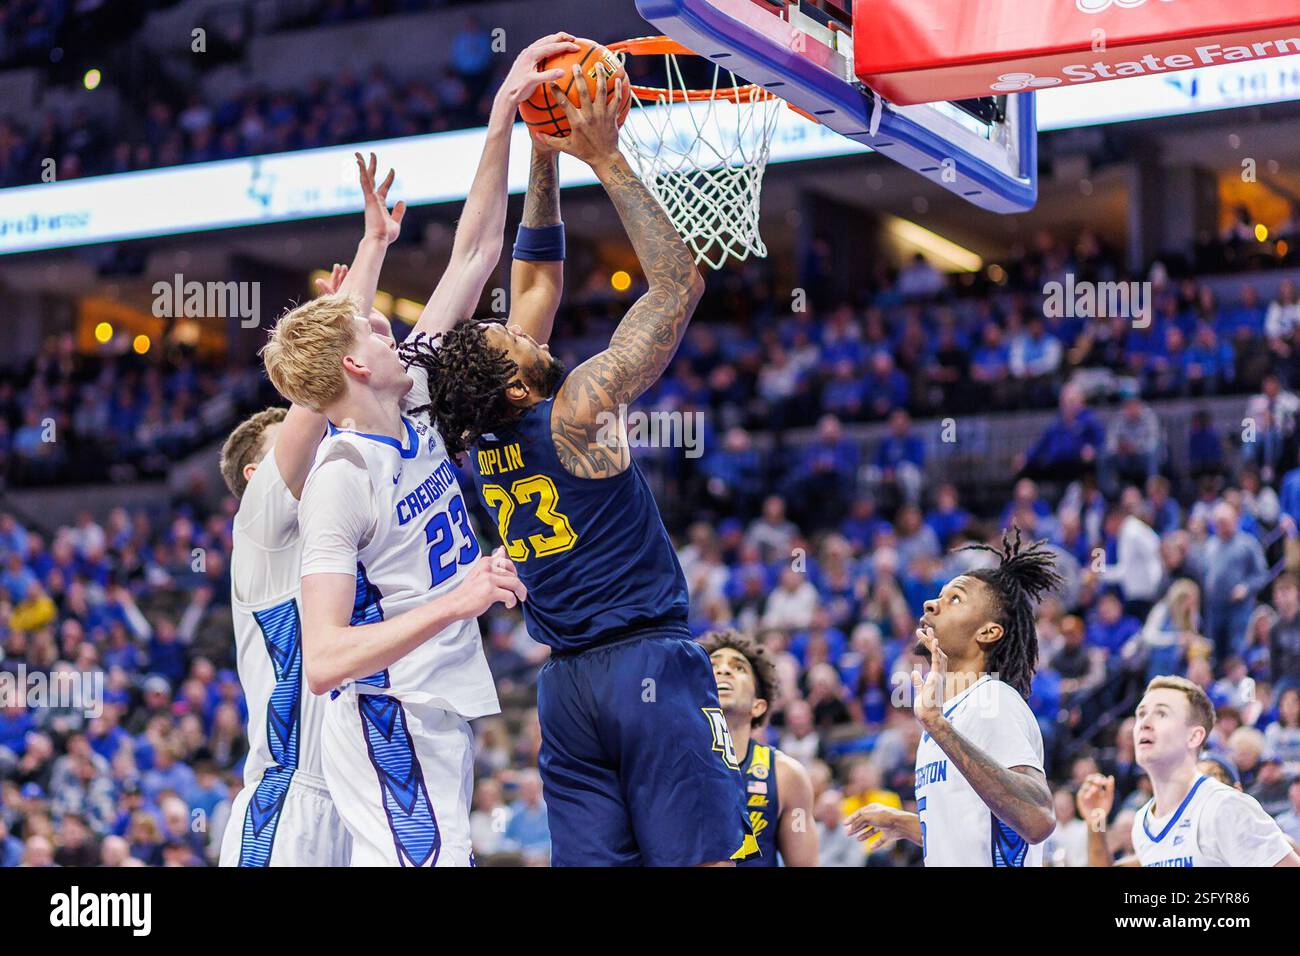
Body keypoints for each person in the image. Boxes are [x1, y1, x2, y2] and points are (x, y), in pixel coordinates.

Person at [406, 65, 753, 866]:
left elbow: (535, 279)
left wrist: (543, 149)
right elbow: (677, 284)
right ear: (520, 379)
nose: (528, 328)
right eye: (517, 338)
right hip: (650, 670)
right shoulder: (575, 410)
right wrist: (603, 154)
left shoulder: (483, 424)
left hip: (566, 693)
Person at [259, 36, 573, 866]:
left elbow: (474, 254)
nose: (391, 321)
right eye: (372, 324)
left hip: (430, 703)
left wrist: (504, 112)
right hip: (382, 715)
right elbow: (324, 659)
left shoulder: (417, 391)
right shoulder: (339, 481)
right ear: (357, 366)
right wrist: (456, 598)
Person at [216, 153, 398, 868]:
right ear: (260, 475)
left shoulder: (337, 526)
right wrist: (369, 256)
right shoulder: (261, 529)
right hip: (287, 806)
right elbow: (318, 396)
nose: (320, 450)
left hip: (361, 798)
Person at [844, 530, 1060, 866]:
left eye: (955, 599)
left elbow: (1037, 819)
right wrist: (905, 823)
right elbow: (976, 830)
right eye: (939, 596)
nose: (931, 604)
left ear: (987, 632)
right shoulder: (951, 715)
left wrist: (937, 726)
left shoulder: (993, 700)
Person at [1077, 676, 1299, 867]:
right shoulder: (1143, 821)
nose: (1144, 722)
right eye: (1141, 713)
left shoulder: (1224, 807)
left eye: (1162, 714)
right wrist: (1096, 819)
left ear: (1194, 737)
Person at [703, 629, 818, 867]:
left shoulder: (787, 775)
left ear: (758, 706)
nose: (723, 670)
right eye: (712, 665)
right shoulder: (667, 763)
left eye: (738, 668)